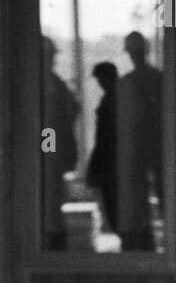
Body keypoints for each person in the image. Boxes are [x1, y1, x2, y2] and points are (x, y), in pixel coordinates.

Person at [117, 31, 163, 251]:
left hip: (139, 148)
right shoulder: (160, 80)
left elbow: (125, 122)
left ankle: (146, 244)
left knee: (138, 203)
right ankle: (167, 242)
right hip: (160, 146)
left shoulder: (128, 83)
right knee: (166, 198)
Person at [40, 36, 80, 251]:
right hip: (47, 157)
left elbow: (54, 125)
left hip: (48, 157)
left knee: (51, 206)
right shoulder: (48, 84)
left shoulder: (53, 84)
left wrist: (51, 154)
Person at [85, 61, 120, 239]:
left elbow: (106, 137)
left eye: (101, 79)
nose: (99, 83)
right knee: (111, 206)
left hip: (112, 162)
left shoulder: (115, 100)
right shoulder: (111, 99)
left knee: (114, 205)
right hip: (110, 161)